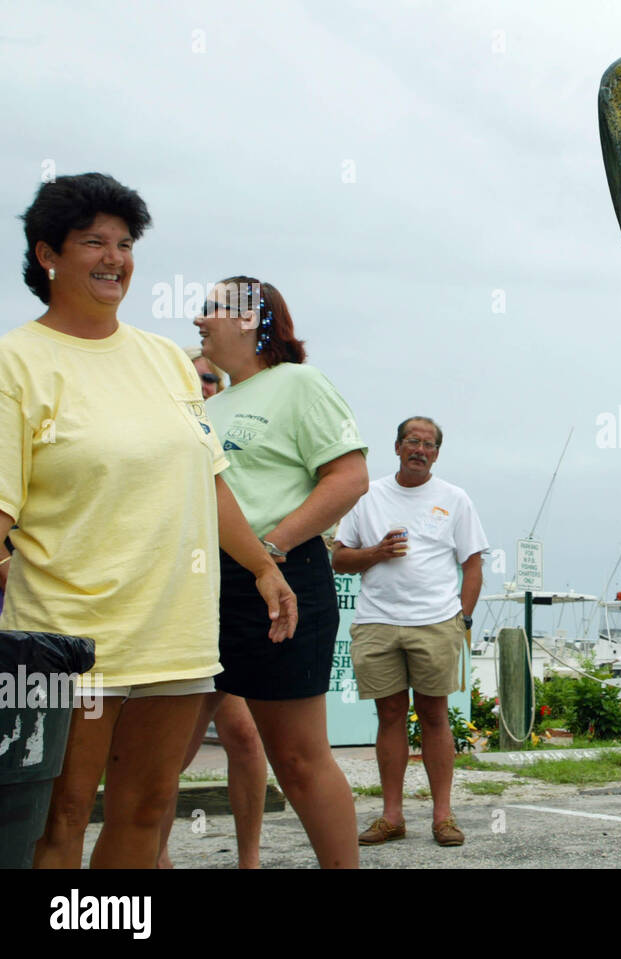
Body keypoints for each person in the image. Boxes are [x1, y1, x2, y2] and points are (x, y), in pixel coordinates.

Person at [0, 174, 296, 869]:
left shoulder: (165, 359)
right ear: (48, 254)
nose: (114, 258)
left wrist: (261, 566)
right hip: (70, 640)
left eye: (125, 243)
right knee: (63, 816)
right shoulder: (16, 362)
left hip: (176, 630)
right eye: (93, 241)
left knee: (146, 810)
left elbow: (207, 476)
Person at [194, 275, 369, 868]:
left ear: (249, 318)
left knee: (296, 759)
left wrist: (269, 548)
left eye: (209, 309)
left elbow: (348, 478)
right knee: (156, 757)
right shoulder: (206, 405)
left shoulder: (299, 384)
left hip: (282, 580)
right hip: (200, 587)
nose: (198, 320)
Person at [332, 416, 487, 847]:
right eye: (412, 442)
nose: (420, 450)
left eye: (429, 445)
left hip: (436, 622)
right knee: (390, 716)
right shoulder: (368, 496)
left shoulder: (455, 499)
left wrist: (464, 619)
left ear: (437, 453)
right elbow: (339, 559)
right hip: (377, 621)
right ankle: (392, 816)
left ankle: (443, 816)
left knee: (436, 716)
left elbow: (473, 565)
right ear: (397, 447)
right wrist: (377, 552)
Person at [154, 347, 270, 869]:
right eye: (196, 379)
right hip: (171, 602)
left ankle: (250, 859)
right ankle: (152, 853)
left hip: (227, 598)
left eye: (211, 380)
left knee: (244, 736)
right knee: (167, 747)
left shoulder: (232, 441)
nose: (204, 387)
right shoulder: (161, 435)